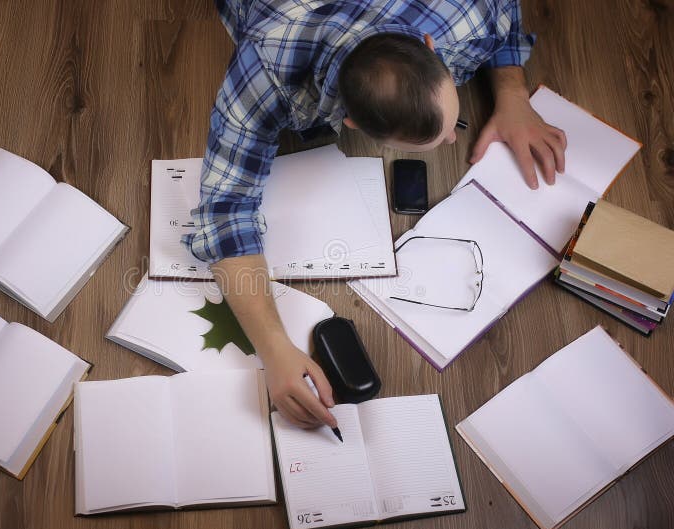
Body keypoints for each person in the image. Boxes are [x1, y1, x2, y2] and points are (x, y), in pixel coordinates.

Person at [183, 0, 567, 430]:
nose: (450, 142)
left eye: (449, 125)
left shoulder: (464, 11)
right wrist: (273, 349)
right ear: (351, 124)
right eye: (438, 138)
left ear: (430, 46)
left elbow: (506, 10)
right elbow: (225, 213)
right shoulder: (263, 68)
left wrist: (512, 95)